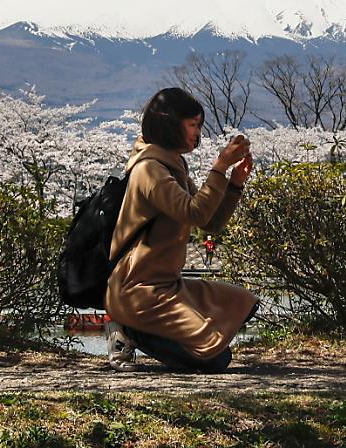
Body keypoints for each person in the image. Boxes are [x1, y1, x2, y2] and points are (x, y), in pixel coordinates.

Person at [104, 87, 259, 373]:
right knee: (216, 359)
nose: (197, 133)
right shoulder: (150, 169)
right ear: (169, 124)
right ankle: (131, 329)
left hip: (168, 285)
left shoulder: (173, 166)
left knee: (243, 304)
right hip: (138, 290)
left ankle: (142, 329)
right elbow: (194, 213)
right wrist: (220, 166)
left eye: (199, 125)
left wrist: (235, 183)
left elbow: (208, 222)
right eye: (192, 125)